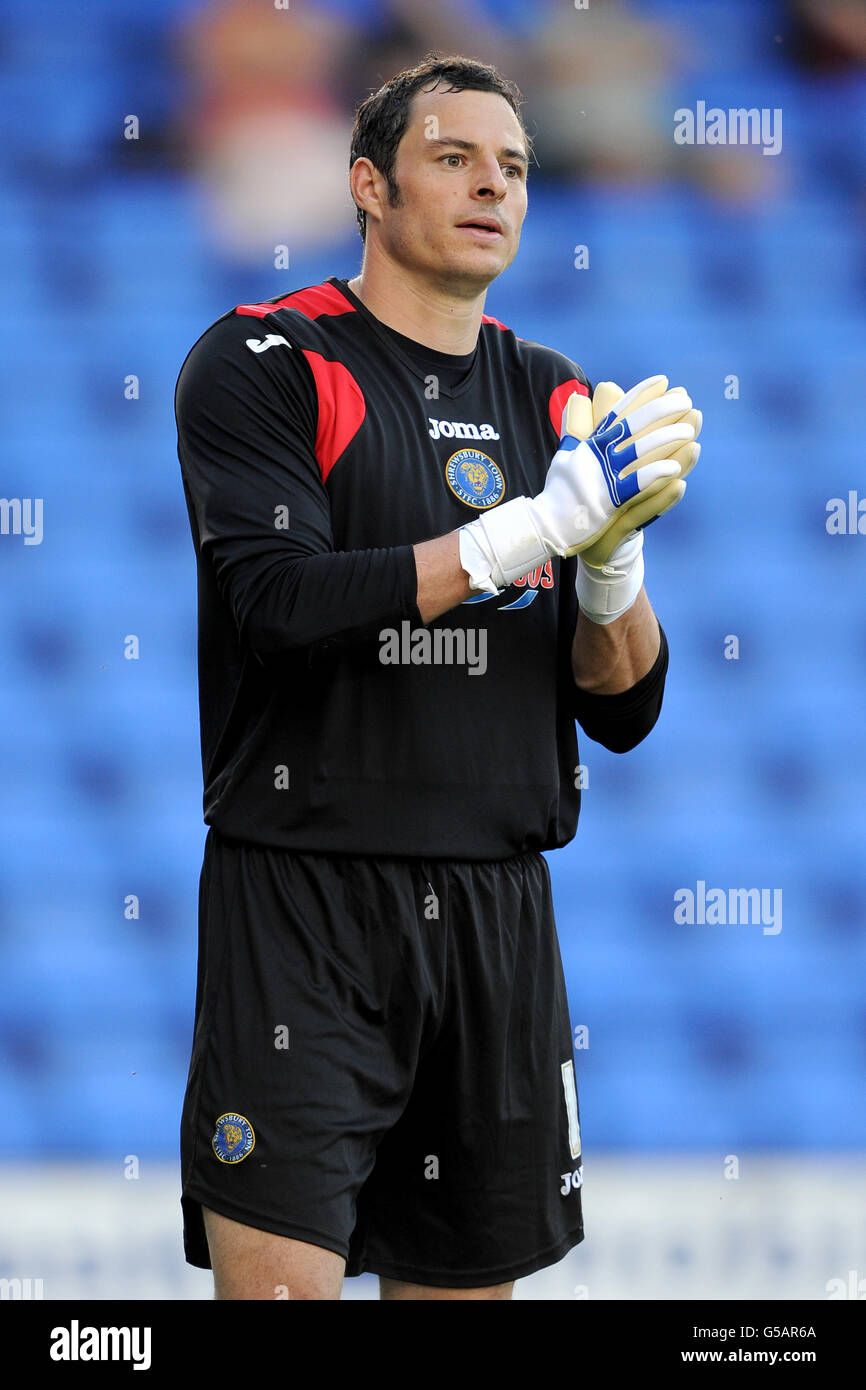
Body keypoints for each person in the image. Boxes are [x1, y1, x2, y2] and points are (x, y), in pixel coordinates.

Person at [175, 52, 698, 1301]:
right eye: (453, 158)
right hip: (302, 901)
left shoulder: (553, 393)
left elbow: (622, 709)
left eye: (512, 166)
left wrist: (611, 560)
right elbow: (280, 604)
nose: (492, 186)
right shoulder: (266, 361)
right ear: (368, 184)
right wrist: (523, 533)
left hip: (496, 909)